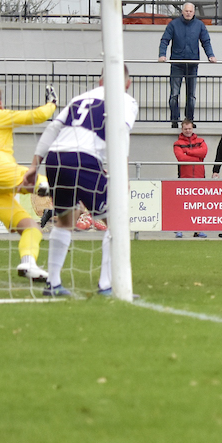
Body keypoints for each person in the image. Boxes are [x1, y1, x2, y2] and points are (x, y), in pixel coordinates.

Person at [23, 70, 139, 297]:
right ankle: (107, 285)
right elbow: (121, 132)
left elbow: (52, 129)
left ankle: (53, 283)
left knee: (66, 220)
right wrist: (123, 175)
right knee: (117, 222)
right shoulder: (126, 100)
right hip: (84, 159)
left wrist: (34, 165)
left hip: (56, 158)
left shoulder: (79, 98)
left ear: (100, 80)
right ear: (128, 83)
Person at [0, 83, 57, 281]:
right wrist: (52, 104)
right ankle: (42, 187)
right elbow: (36, 116)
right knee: (46, 181)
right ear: (0, 103)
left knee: (31, 227)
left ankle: (28, 263)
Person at [157, 2, 217, 127]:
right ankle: (174, 120)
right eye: (186, 11)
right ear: (182, 12)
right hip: (177, 63)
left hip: (192, 64)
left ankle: (189, 120)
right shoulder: (173, 24)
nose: (188, 13)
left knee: (191, 96)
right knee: (174, 94)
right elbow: (165, 40)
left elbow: (206, 41)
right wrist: (162, 54)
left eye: (190, 11)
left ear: (194, 12)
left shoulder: (199, 25)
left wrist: (210, 55)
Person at [171, 119, 209, 239]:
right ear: (182, 129)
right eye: (185, 129)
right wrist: (197, 158)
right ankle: (179, 229)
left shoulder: (200, 141)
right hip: (184, 177)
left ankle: (198, 230)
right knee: (182, 205)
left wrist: (187, 152)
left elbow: (204, 153)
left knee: (198, 206)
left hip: (199, 177)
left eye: (189, 128)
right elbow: (181, 158)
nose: (188, 131)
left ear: (193, 129)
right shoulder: (177, 143)